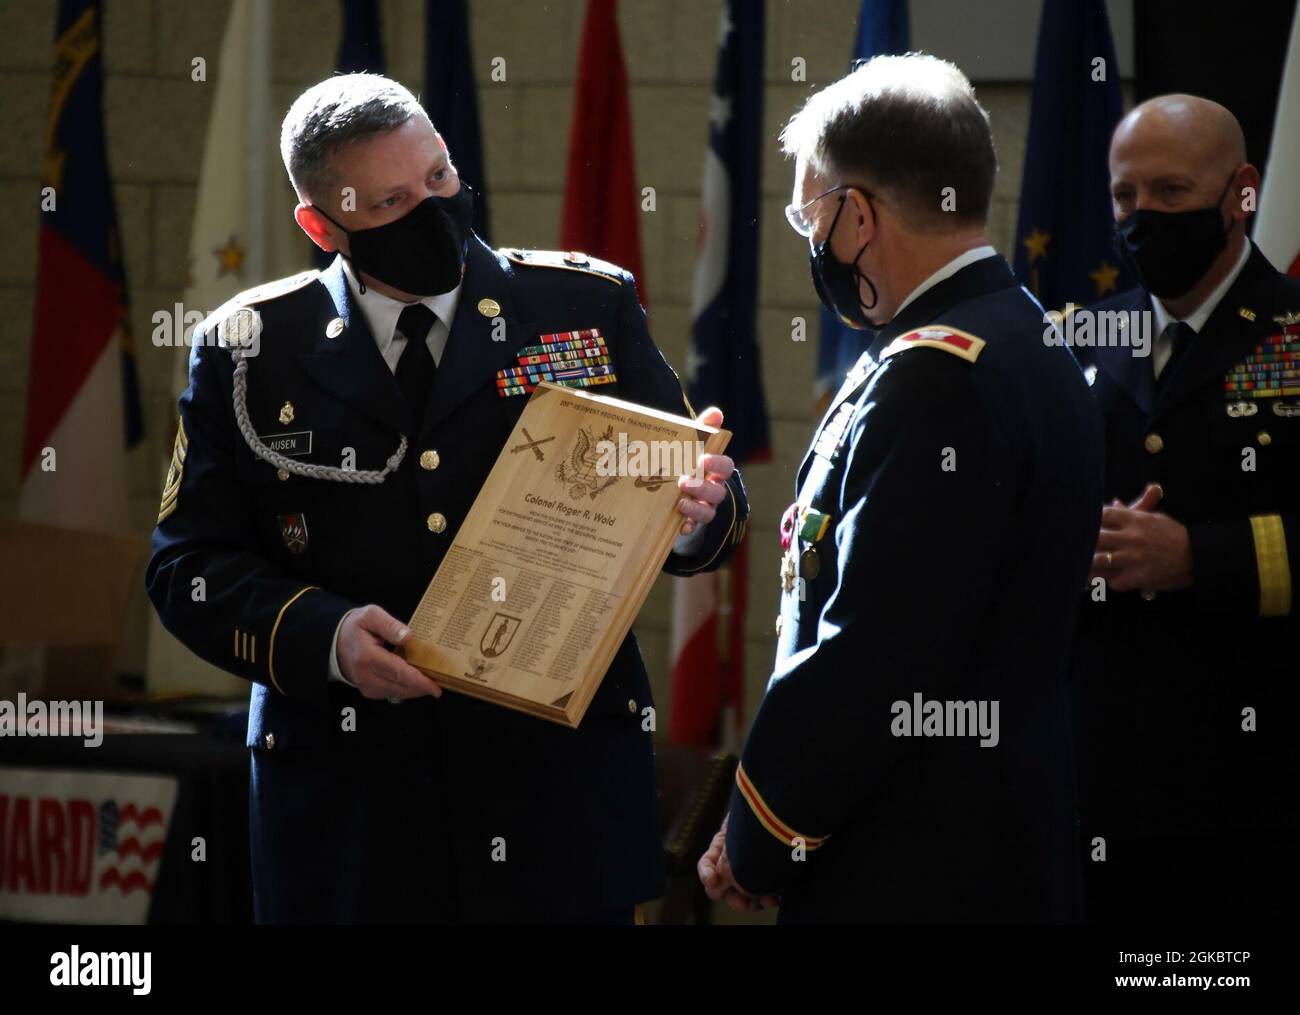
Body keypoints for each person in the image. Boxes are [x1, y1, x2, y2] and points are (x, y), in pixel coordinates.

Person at [146, 73, 749, 924]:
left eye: (439, 177)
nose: (432, 208)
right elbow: (186, 568)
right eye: (390, 201)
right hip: (351, 809)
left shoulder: (583, 305)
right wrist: (329, 635)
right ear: (322, 225)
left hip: (552, 800)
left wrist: (700, 512)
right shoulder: (250, 348)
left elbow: (703, 510)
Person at [697, 54, 1103, 923]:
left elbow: (870, 652)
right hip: (998, 839)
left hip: (909, 863)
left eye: (814, 214)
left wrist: (765, 831)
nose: (815, 242)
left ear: (858, 212)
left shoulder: (933, 376)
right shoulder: (1031, 334)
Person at [1074, 94, 1299, 925]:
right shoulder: (1083, 338)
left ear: (1241, 192)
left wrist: (1199, 556)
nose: (1143, 217)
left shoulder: (1292, 336)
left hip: (1250, 784)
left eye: (1169, 194)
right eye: (1124, 197)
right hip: (1096, 770)